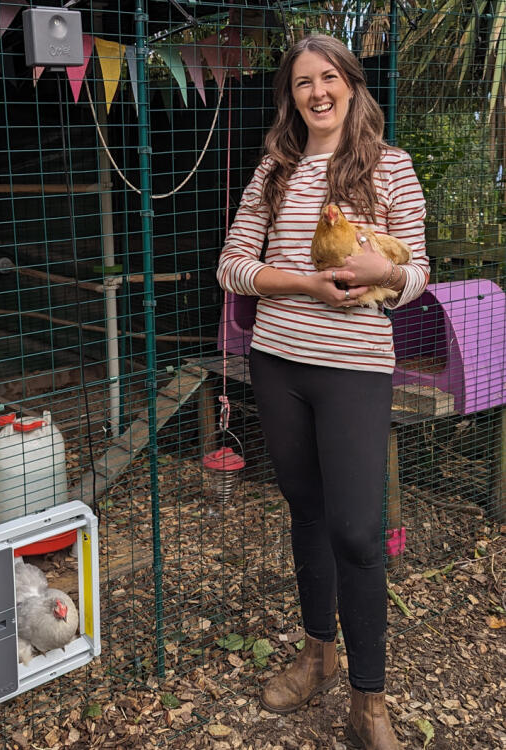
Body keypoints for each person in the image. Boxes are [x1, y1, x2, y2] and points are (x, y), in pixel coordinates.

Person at [217, 35, 429, 750]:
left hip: (357, 367)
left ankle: (369, 700)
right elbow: (232, 267)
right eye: (303, 82)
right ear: (292, 97)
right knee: (305, 514)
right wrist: (305, 283)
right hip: (279, 362)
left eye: (328, 77)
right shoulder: (275, 170)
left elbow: (419, 272)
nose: (317, 92)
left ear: (351, 86)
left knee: (357, 533)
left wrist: (386, 275)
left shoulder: (390, 167)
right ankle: (318, 654)